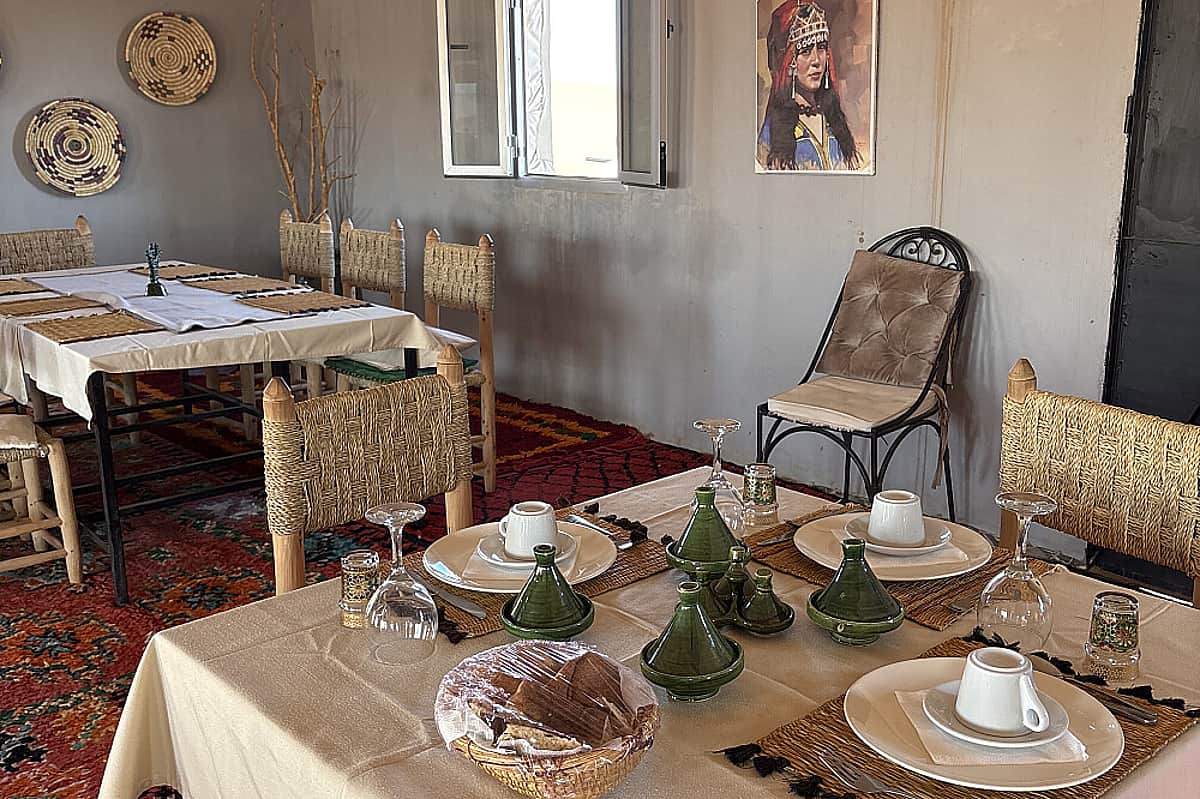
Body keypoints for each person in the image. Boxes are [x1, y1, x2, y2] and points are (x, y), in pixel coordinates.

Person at [758, 1, 861, 171]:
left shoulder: (835, 122)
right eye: (805, 51)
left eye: (821, 48)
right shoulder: (772, 134)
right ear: (789, 61)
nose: (816, 61)